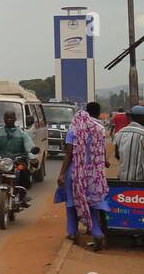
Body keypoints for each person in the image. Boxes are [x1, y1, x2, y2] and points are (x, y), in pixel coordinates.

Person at [58, 102, 110, 251]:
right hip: (94, 173)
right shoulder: (100, 129)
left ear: (85, 111)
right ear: (99, 113)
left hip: (75, 172)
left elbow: (69, 153)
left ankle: (73, 232)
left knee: (72, 202)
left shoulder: (74, 129)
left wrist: (62, 174)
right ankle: (97, 233)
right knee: (93, 204)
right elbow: (101, 152)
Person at [0, 109, 35, 206]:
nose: (9, 119)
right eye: (7, 117)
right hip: (1, 160)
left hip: (17, 160)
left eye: (11, 117)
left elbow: (29, 147)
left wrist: (32, 157)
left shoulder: (22, 134)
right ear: (4, 119)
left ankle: (22, 197)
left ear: (15, 119)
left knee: (25, 173)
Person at [114, 105, 144, 182]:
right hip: (140, 181)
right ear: (142, 118)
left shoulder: (119, 133)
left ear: (130, 117)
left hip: (123, 179)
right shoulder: (142, 134)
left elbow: (117, 155)